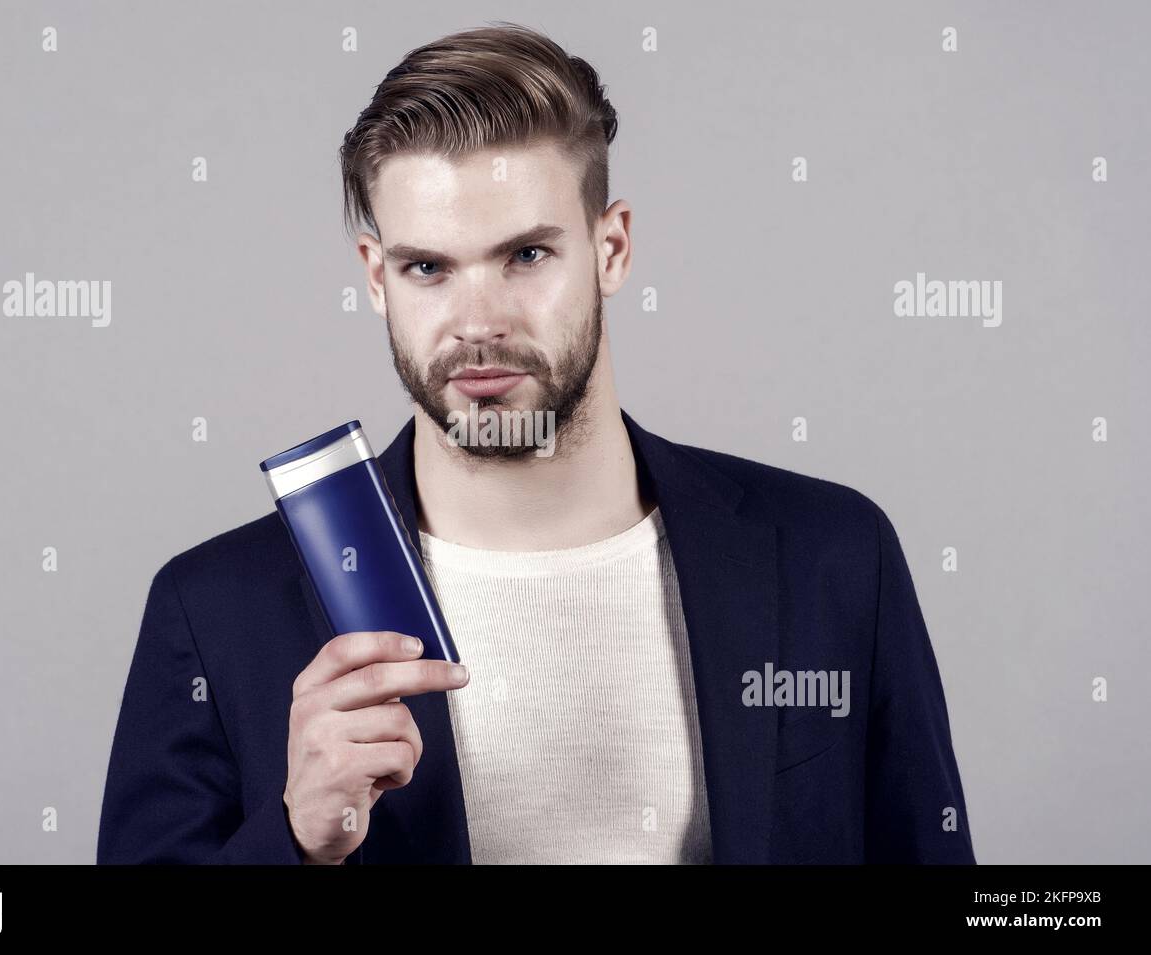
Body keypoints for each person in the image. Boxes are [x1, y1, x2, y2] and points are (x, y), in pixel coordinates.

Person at [97, 22, 975, 865]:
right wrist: (295, 841)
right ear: (376, 276)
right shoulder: (213, 610)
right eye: (428, 268)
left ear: (612, 247)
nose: (478, 323)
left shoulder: (832, 554)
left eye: (524, 255)